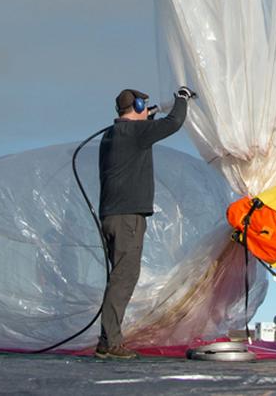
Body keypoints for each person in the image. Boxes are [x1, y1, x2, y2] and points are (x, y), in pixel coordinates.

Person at [94, 85, 195, 359]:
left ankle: (108, 339)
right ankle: (111, 343)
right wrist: (182, 98)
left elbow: (138, 135)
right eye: (143, 105)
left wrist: (146, 119)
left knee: (119, 277)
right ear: (138, 107)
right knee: (124, 278)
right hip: (127, 218)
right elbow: (174, 122)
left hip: (111, 215)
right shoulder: (136, 134)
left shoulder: (112, 134)